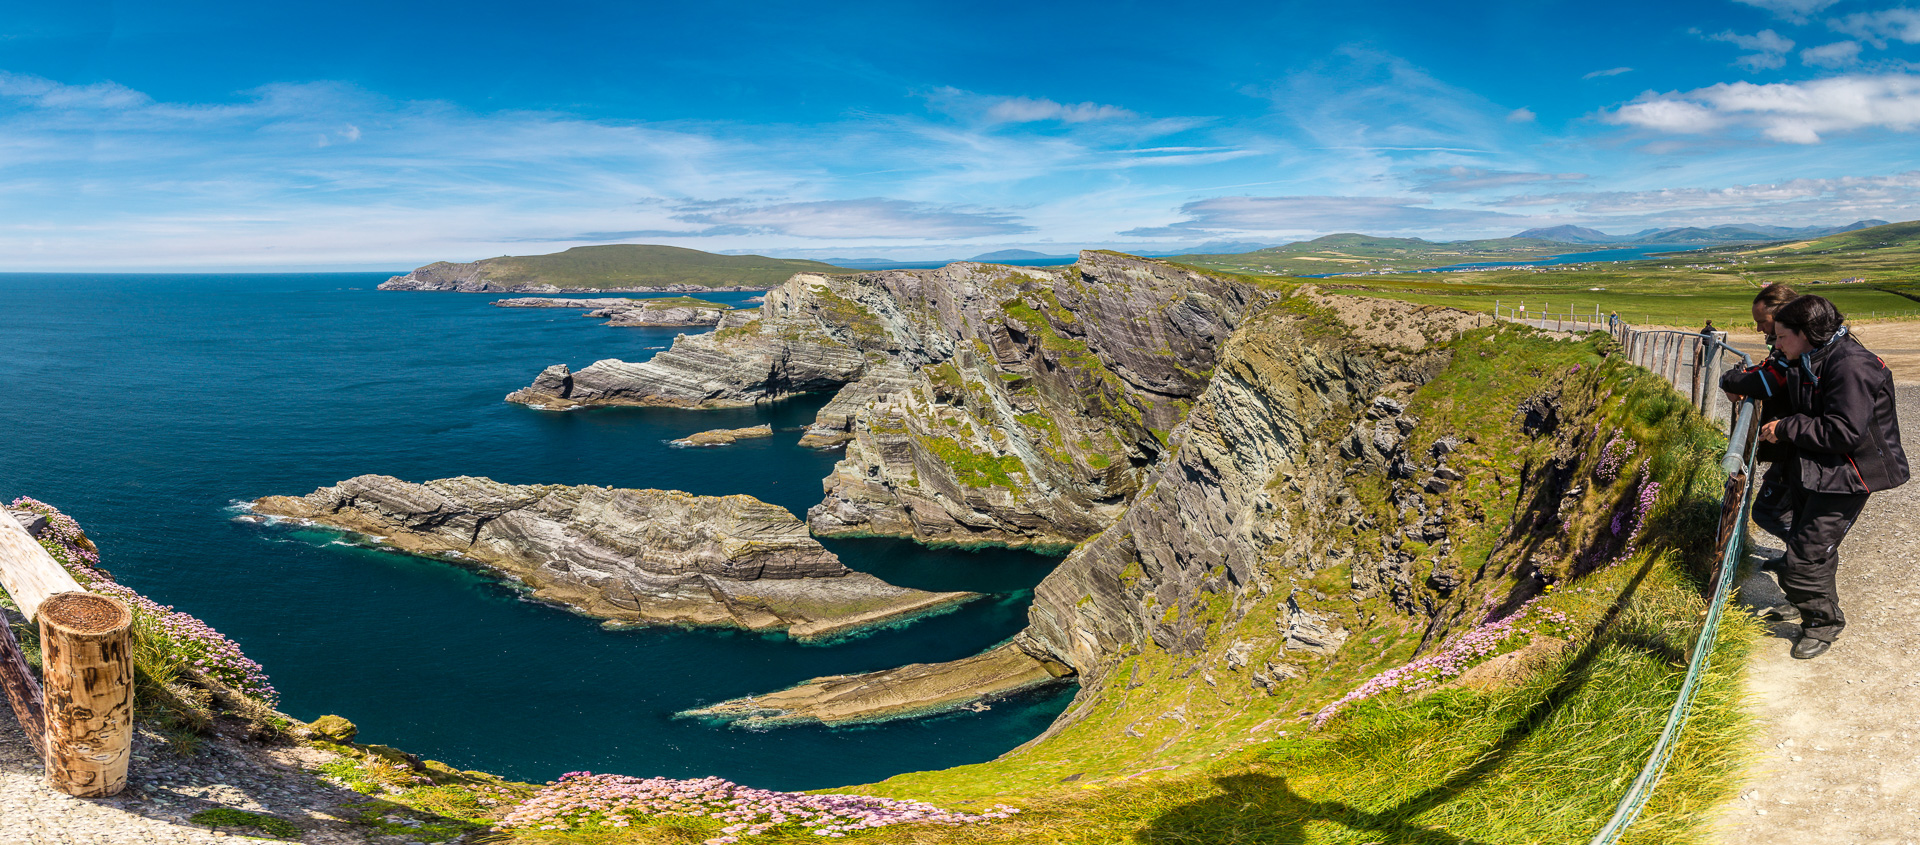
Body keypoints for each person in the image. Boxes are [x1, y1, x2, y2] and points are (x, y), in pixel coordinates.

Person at [1757, 294, 1909, 659]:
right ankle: (1803, 587)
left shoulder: (1851, 366)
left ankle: (1822, 625)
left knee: (1804, 559)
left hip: (1849, 473)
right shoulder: (1813, 356)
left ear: (1805, 333)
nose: (1775, 344)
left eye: (1781, 337)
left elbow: (1844, 431)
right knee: (1783, 525)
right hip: (1819, 467)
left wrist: (1788, 427)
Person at [1720, 283, 1799, 543]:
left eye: (1762, 321)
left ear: (1782, 314)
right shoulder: (1785, 345)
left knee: (1769, 512)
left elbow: (1766, 382)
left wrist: (1729, 380)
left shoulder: (1795, 348)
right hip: (1791, 440)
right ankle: (1801, 556)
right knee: (1783, 509)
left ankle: (1809, 555)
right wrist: (1737, 380)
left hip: (1796, 442)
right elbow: (1765, 371)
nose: (1758, 328)